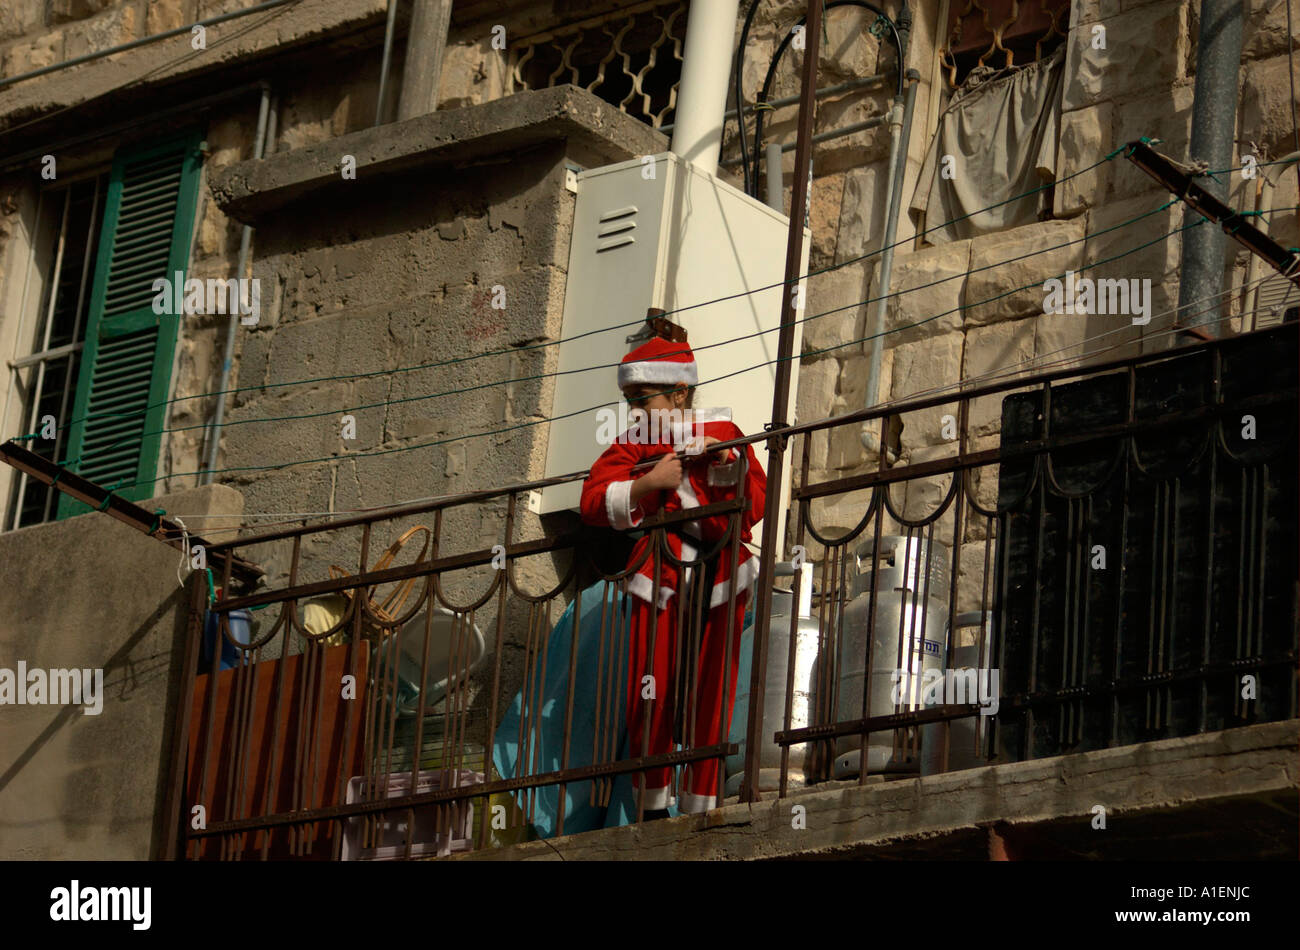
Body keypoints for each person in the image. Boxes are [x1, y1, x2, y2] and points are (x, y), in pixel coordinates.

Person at [579, 336, 766, 816]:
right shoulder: (631, 445)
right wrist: (647, 484)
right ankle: (653, 801)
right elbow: (592, 502)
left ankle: (702, 801)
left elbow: (755, 503)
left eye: (642, 401)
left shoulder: (722, 429)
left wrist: (727, 459)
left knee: (713, 689)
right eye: (629, 402)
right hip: (660, 574)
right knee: (650, 687)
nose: (634, 411)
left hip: (720, 573)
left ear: (680, 394)